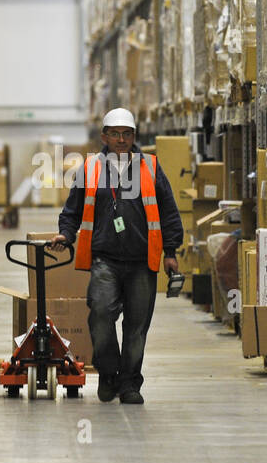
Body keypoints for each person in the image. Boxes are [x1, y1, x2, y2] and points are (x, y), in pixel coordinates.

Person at [49, 108, 183, 404]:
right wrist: (65, 235)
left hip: (141, 261)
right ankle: (109, 373)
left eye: (126, 134)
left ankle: (130, 385)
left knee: (136, 328)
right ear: (104, 137)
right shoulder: (90, 168)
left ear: (134, 137)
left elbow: (169, 211)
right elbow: (72, 211)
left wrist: (171, 251)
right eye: (115, 134)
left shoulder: (150, 166)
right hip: (105, 259)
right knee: (100, 316)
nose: (121, 140)